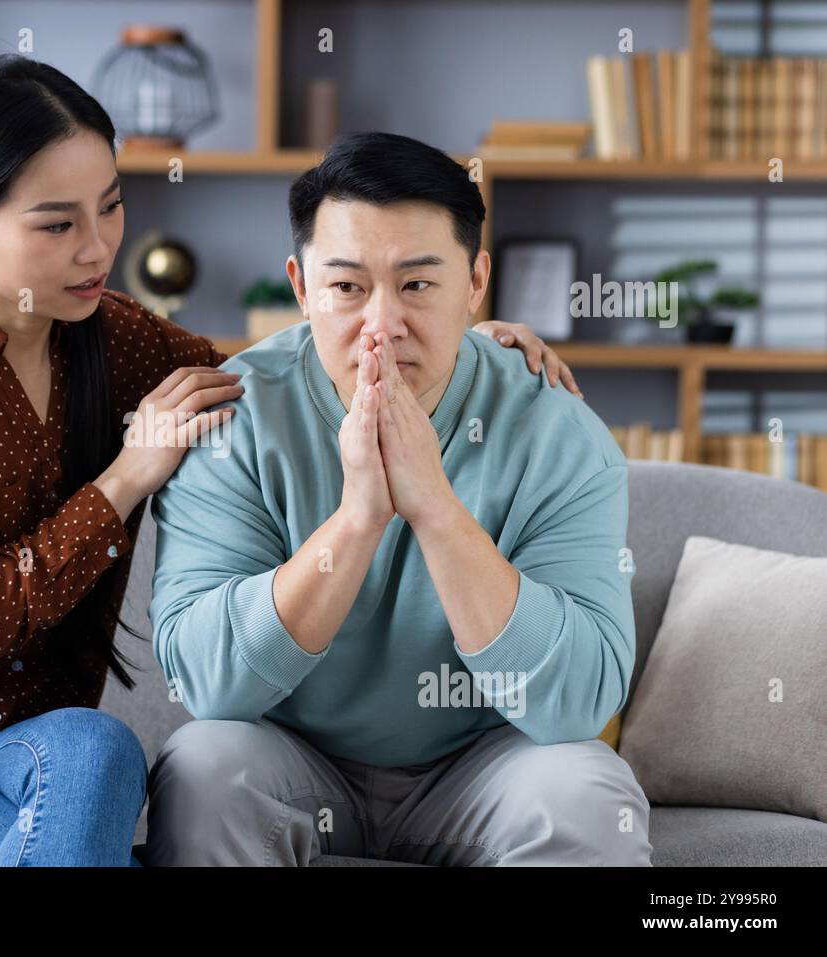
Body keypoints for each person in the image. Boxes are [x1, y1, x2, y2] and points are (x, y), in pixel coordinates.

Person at [0, 55, 579, 867]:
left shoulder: (113, 336)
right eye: (57, 224)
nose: (97, 248)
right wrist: (127, 476)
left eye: (110, 206)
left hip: (13, 747)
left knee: (102, 745)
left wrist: (461, 346)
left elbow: (274, 380)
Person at [145, 131, 650, 867]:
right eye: (347, 286)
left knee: (590, 793)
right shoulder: (236, 417)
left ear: (475, 283)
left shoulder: (556, 430)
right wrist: (358, 520)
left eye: (418, 284)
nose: (382, 323)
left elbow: (578, 703)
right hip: (294, 761)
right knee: (203, 766)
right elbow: (206, 682)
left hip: (481, 770)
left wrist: (436, 508)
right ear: (300, 284)